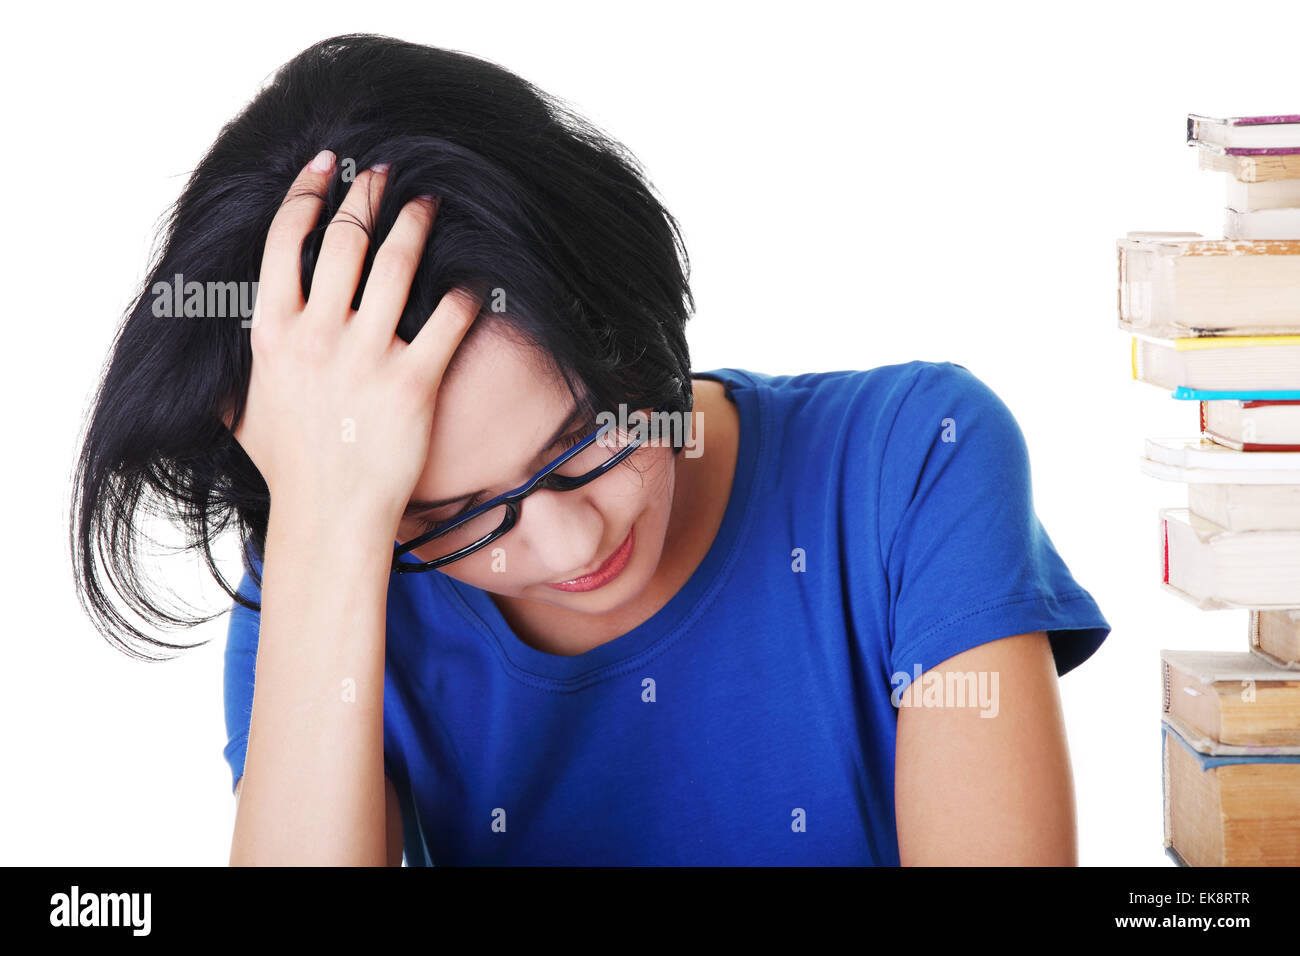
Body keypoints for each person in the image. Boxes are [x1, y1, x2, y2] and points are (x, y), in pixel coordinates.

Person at [71, 34, 1111, 866]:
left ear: (628, 324)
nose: (570, 541)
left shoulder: (913, 459)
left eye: (586, 440)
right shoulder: (326, 576)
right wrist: (331, 526)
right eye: (457, 514)